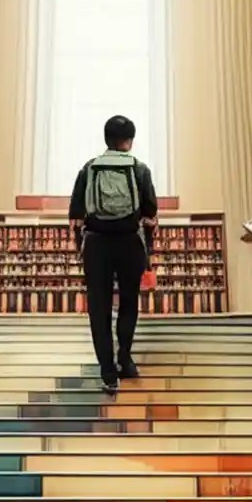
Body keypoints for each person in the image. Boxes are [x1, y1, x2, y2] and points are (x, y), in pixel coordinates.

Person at [69, 115, 159, 394]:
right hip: (129, 242)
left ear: (106, 139)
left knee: (99, 307)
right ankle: (125, 360)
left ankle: (108, 372)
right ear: (129, 141)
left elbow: (75, 215)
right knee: (129, 302)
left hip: (97, 244)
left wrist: (80, 245)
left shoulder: (89, 168)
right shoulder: (139, 169)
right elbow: (150, 211)